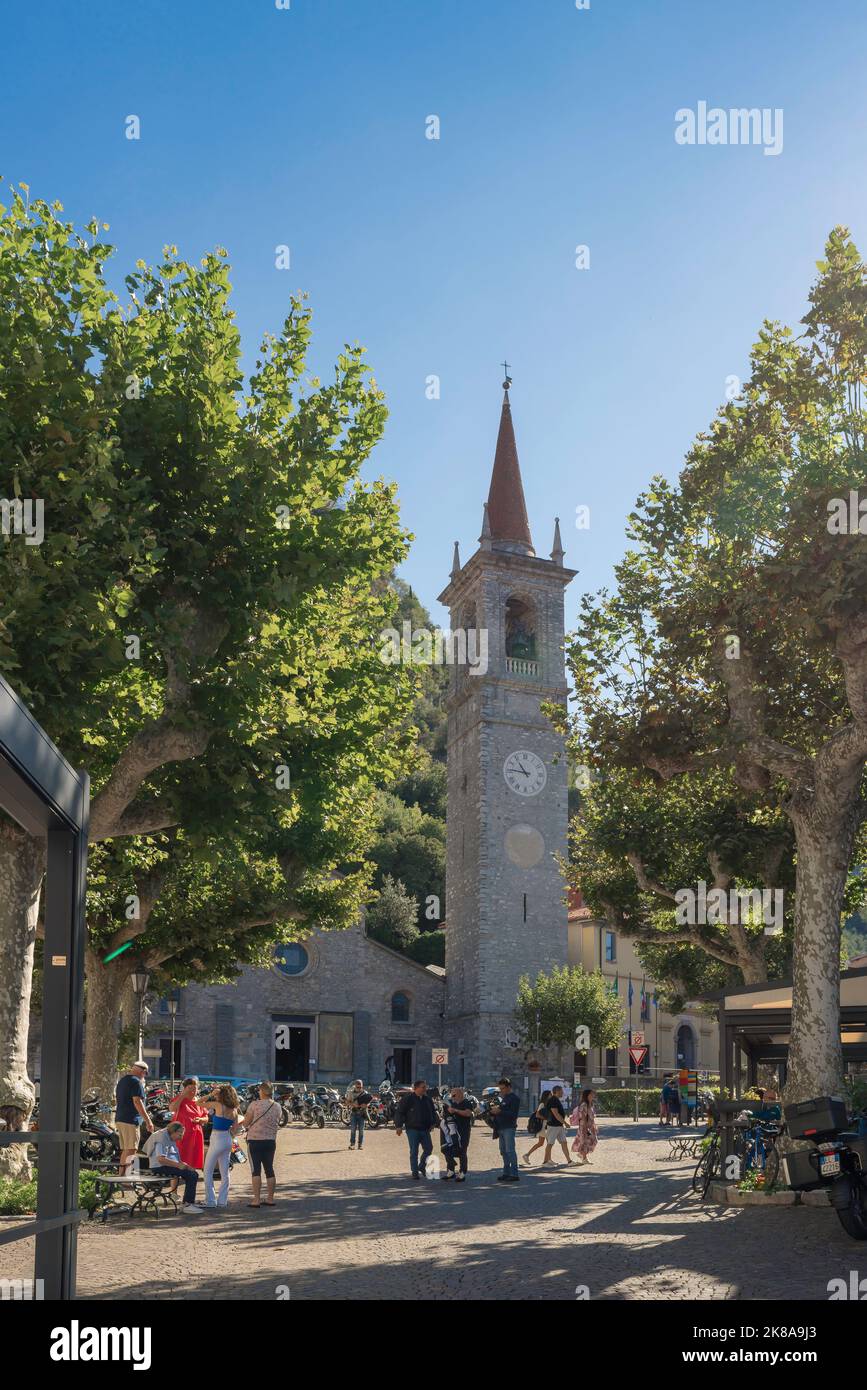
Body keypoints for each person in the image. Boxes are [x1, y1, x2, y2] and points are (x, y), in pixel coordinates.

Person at [149, 1121, 204, 1213]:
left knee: (193, 1173)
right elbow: (160, 1159)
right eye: (180, 1134)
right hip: (159, 1167)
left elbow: (175, 1159)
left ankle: (188, 1202)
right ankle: (187, 1204)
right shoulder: (161, 1139)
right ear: (173, 1132)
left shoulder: (170, 1138)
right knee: (191, 1175)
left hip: (166, 1165)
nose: (181, 1137)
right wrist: (179, 1165)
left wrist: (186, 1166)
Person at [242, 1081, 282, 1208]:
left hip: (255, 1141)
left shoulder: (254, 1105)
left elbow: (246, 1123)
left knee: (256, 1171)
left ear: (262, 1091)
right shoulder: (277, 1106)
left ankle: (256, 1199)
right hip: (270, 1141)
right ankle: (270, 1198)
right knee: (269, 1170)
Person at [202, 1084, 241, 1209]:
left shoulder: (218, 1105)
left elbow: (198, 1103)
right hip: (227, 1139)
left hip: (217, 1138)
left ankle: (211, 1200)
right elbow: (235, 1129)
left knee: (208, 1170)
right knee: (225, 1172)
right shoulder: (234, 1109)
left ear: (222, 1094)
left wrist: (210, 1095)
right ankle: (222, 1201)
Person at [394, 1079, 438, 1179]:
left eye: (425, 1087)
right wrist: (399, 1126)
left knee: (429, 1148)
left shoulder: (427, 1099)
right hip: (412, 1129)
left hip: (425, 1129)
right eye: (423, 1087)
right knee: (414, 1151)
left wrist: (433, 1123)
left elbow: (432, 1112)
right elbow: (400, 1112)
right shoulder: (407, 1099)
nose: (425, 1089)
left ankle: (421, 1166)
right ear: (416, 1088)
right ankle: (414, 1172)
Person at [115, 1061, 153, 1175]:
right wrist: (148, 1121)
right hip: (131, 1120)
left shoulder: (122, 1080)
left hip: (120, 1118)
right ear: (142, 1071)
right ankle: (127, 1178)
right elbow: (137, 1101)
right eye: (145, 1073)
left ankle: (121, 1176)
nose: (144, 1076)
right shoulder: (136, 1082)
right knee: (132, 1149)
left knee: (126, 1149)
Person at [169, 1077, 208, 1172]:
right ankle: (177, 1178)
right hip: (181, 1134)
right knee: (180, 1157)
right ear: (185, 1088)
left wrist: (200, 1119)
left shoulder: (199, 1101)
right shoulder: (180, 1098)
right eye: (189, 1088)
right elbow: (172, 1109)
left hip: (196, 1135)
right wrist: (182, 1096)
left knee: (193, 1158)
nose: (192, 1091)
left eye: (194, 1088)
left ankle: (191, 1176)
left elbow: (206, 1118)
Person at [490, 1077, 520, 1183]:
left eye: (502, 1088)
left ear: (508, 1087)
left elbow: (513, 1115)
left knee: (510, 1151)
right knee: (503, 1151)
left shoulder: (514, 1098)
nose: (501, 1091)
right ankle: (506, 1173)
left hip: (509, 1127)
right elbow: (502, 1110)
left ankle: (514, 1174)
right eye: (500, 1089)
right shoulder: (504, 1098)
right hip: (501, 1127)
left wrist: (499, 1112)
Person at [441, 1085, 473, 1181]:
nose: (452, 1097)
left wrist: (455, 1110)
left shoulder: (466, 1102)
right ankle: (450, 1170)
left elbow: (468, 1113)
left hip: (463, 1130)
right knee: (447, 1148)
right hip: (451, 1131)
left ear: (460, 1094)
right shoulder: (452, 1102)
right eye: (451, 1095)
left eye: (454, 1095)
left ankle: (462, 1172)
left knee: (462, 1151)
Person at [542, 1085, 575, 1167]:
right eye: (561, 1091)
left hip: (558, 1126)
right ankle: (545, 1162)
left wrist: (562, 1123)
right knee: (550, 1143)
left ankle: (569, 1161)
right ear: (556, 1091)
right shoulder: (553, 1100)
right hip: (553, 1126)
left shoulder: (555, 1100)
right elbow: (556, 1114)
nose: (563, 1093)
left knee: (564, 1142)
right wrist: (565, 1123)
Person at [522, 1090, 552, 1166]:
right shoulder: (542, 1104)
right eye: (550, 1095)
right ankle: (547, 1161)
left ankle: (527, 1155)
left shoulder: (547, 1104)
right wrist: (546, 1119)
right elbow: (537, 1115)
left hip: (545, 1126)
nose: (551, 1096)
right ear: (546, 1096)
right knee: (549, 1143)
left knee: (541, 1143)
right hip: (543, 1127)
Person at [571, 1088, 598, 1164]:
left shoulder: (590, 1104)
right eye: (591, 1094)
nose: (593, 1095)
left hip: (590, 1126)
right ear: (587, 1095)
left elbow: (591, 1116)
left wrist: (594, 1125)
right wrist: (585, 1128)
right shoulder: (584, 1104)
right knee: (584, 1142)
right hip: (584, 1126)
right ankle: (584, 1158)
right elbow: (583, 1117)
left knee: (594, 1141)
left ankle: (581, 1154)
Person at [346, 1079, 372, 1151]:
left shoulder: (365, 1093)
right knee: (353, 1130)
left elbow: (369, 1101)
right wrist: (353, 1104)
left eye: (360, 1087)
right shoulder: (351, 1093)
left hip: (362, 1113)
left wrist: (366, 1105)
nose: (359, 1088)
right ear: (355, 1086)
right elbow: (347, 1102)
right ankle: (352, 1145)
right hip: (354, 1113)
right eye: (358, 1087)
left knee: (361, 1130)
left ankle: (360, 1145)